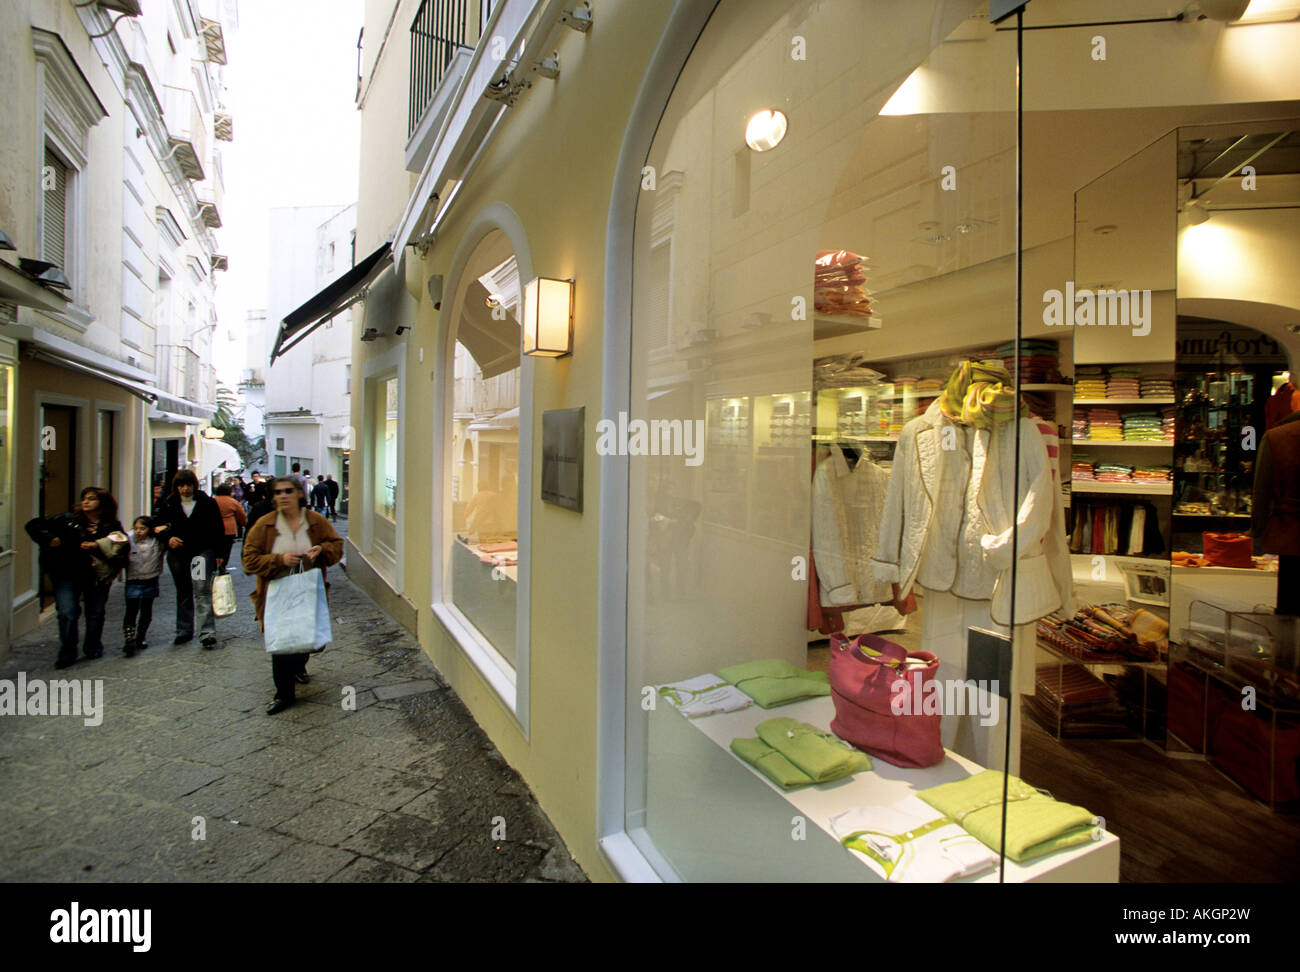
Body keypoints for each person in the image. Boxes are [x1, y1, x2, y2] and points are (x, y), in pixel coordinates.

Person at [242, 476, 343, 714]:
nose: (283, 496)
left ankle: (299, 665)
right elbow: (248, 560)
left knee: (311, 642)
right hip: (276, 593)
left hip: (309, 590)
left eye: (288, 491)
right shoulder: (265, 524)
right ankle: (283, 694)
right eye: (278, 492)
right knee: (282, 645)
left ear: (299, 493)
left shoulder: (316, 521)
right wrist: (279, 560)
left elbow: (336, 546)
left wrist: (322, 550)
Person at [24, 487, 127, 668]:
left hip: (97, 575)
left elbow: (121, 548)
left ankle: (93, 646)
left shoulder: (112, 526)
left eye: (91, 499)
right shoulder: (67, 520)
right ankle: (68, 650)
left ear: (102, 504)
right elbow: (33, 525)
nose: (86, 502)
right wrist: (50, 539)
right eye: (84, 499)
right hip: (66, 573)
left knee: (95, 613)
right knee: (67, 612)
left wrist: (97, 546)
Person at [156, 469, 226, 649]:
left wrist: (219, 554)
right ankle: (184, 630)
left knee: (201, 589)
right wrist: (168, 538)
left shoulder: (206, 502)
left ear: (194, 485)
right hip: (178, 555)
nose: (185, 489)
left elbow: (217, 528)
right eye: (181, 485)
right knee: (183, 590)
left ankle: (207, 632)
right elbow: (157, 526)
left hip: (200, 553)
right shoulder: (169, 504)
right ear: (176, 487)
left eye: (188, 485)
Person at [123, 515, 167, 655]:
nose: (138, 531)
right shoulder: (129, 540)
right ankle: (129, 639)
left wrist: (162, 529)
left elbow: (167, 531)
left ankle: (141, 637)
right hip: (133, 578)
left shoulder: (156, 541)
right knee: (131, 609)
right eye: (136, 528)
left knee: (146, 610)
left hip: (151, 578)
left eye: (142, 528)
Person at [213, 482, 246, 568]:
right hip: (229, 528)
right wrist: (244, 524)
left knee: (216, 547)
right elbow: (241, 515)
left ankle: (215, 564)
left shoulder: (213, 500)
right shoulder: (233, 502)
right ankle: (223, 565)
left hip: (215, 528)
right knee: (226, 549)